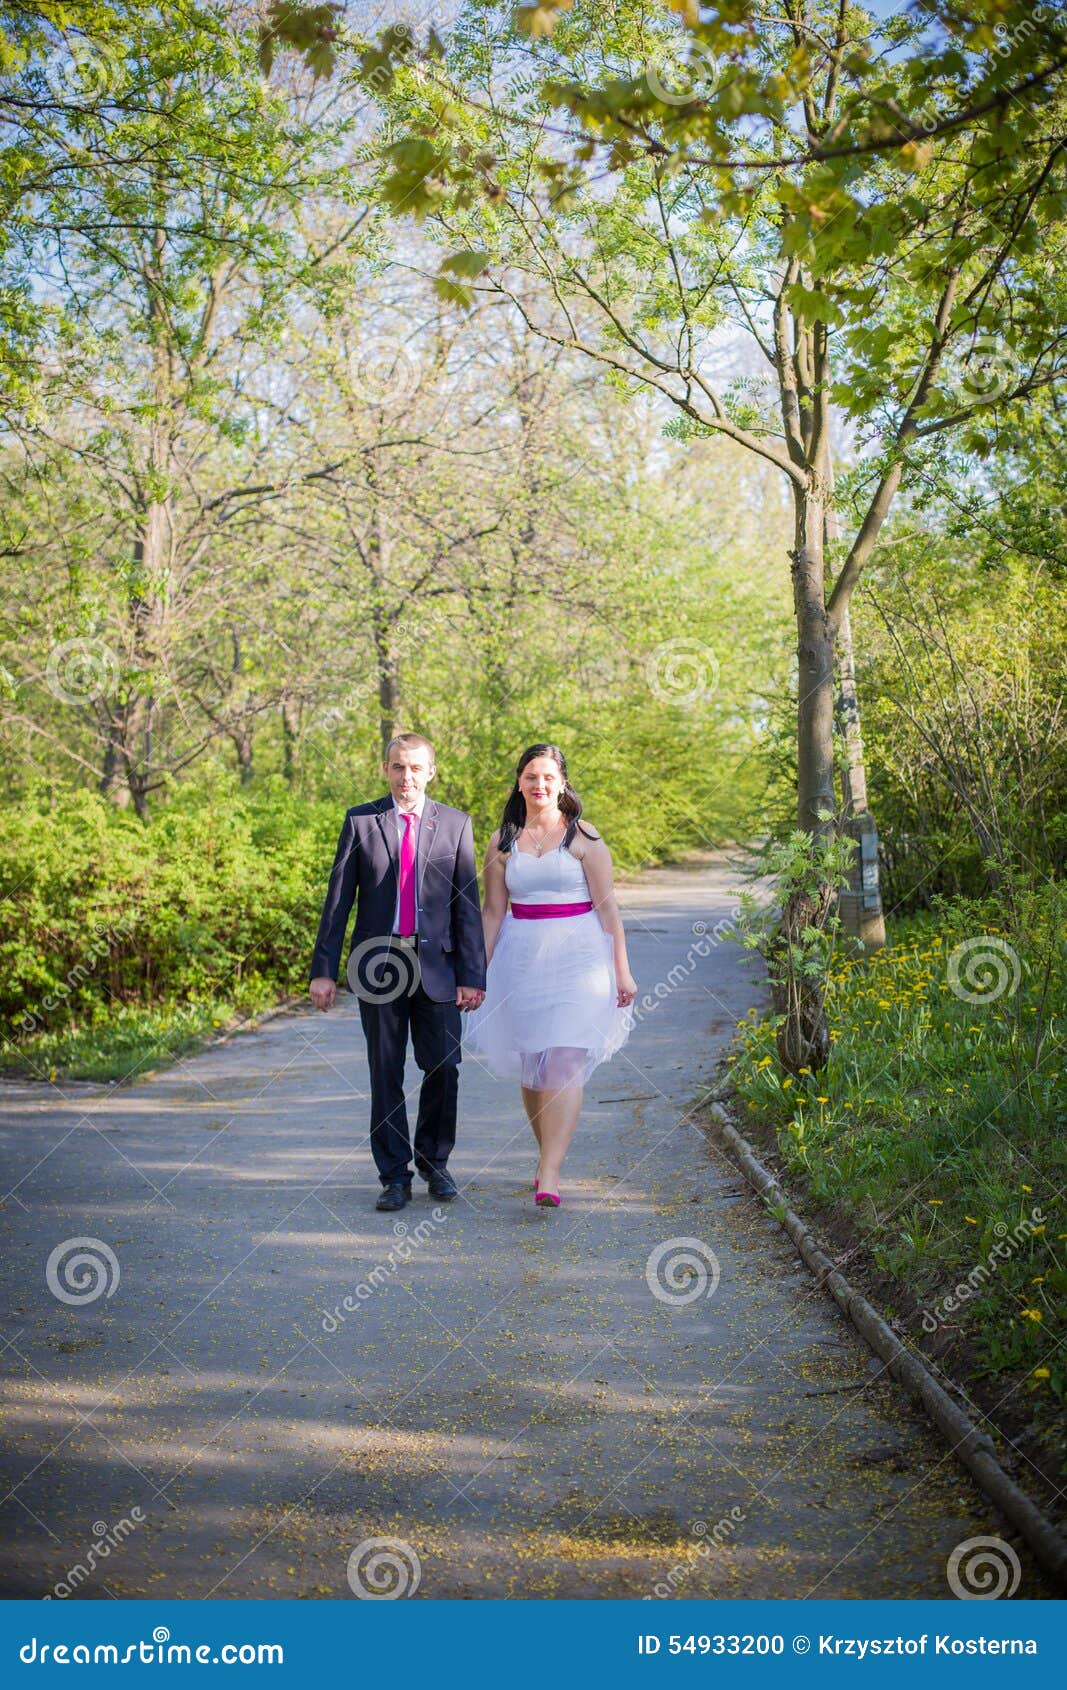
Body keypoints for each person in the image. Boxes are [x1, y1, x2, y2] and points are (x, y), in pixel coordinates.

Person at [308, 733, 486, 1211]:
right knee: (384, 1071)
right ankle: (394, 1175)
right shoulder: (361, 821)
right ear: (385, 769)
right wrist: (323, 969)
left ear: (431, 771)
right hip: (380, 965)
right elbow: (338, 900)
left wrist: (473, 974)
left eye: (414, 768)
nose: (405, 777)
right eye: (397, 767)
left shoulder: (455, 824)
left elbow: (467, 907)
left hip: (439, 968)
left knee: (444, 1066)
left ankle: (434, 1161)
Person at [464, 743, 636, 1208]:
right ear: (518, 782)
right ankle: (547, 1154)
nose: (538, 785)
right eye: (530, 777)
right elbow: (494, 912)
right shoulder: (502, 841)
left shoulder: (584, 837)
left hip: (580, 959)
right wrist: (477, 972)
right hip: (521, 958)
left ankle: (549, 1172)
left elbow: (609, 910)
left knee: (563, 1062)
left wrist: (622, 971)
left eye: (547, 777)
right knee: (533, 1063)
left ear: (562, 783)